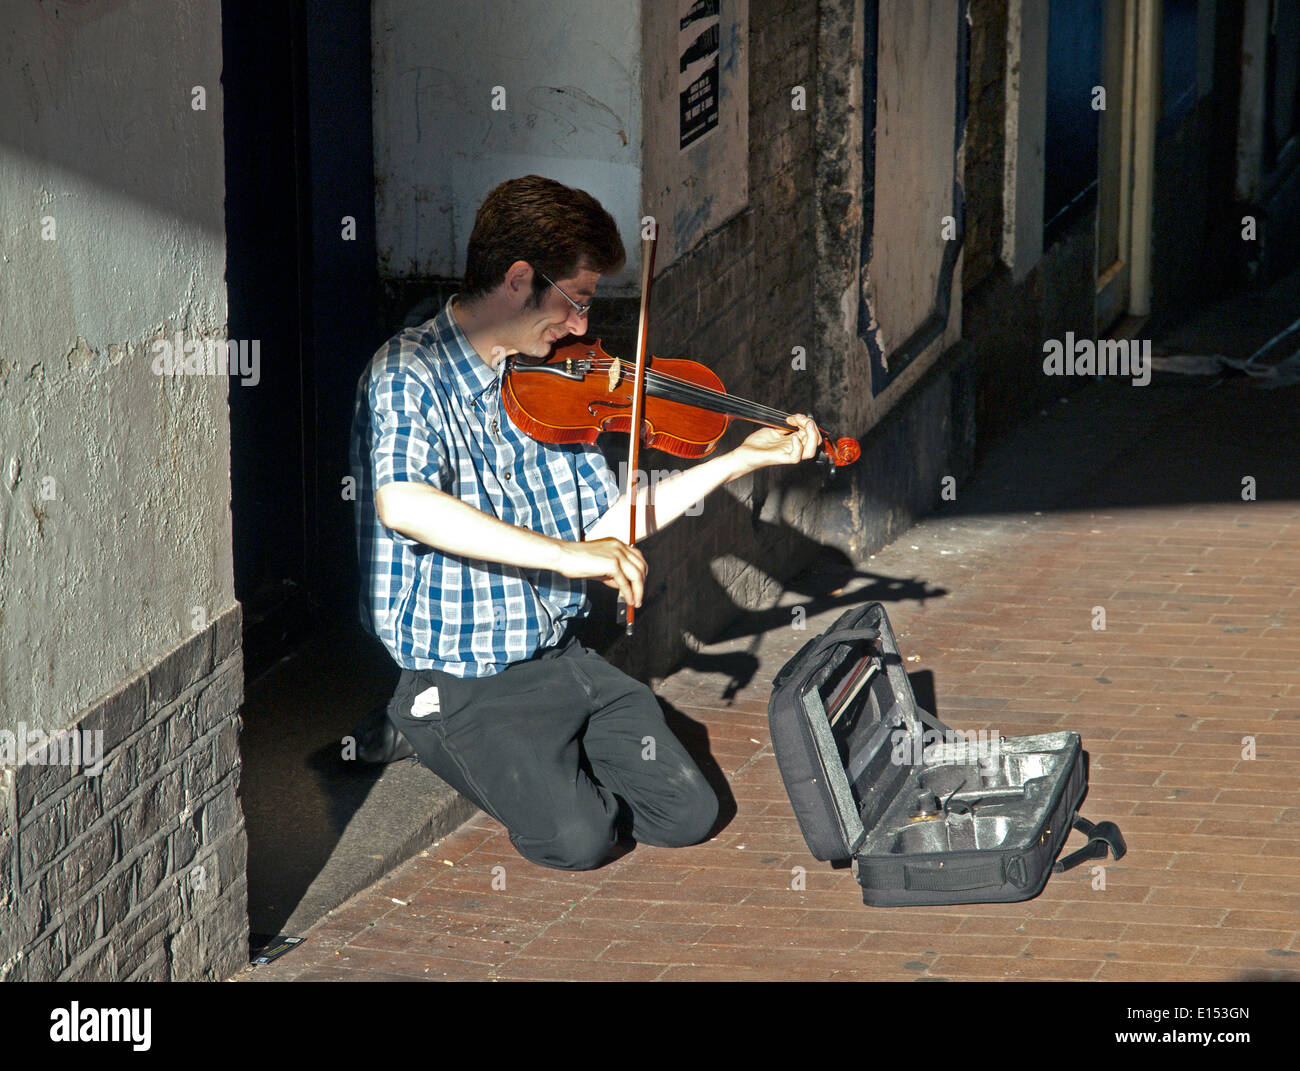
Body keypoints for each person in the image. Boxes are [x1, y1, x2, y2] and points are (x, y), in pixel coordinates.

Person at [349, 174, 820, 870]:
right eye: (575, 300)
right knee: (580, 839)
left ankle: (547, 754)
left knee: (688, 812)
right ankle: (418, 718)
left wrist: (737, 462)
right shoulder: (408, 373)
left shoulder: (554, 382)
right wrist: (571, 558)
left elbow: (607, 522)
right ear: (518, 279)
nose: (579, 325)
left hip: (562, 655)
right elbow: (404, 504)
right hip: (465, 674)